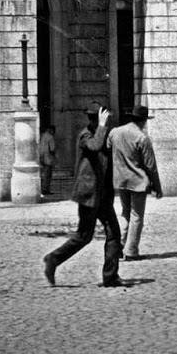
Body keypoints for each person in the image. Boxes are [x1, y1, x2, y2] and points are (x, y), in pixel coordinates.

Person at [42, 106, 123, 288]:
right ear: (96, 119)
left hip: (101, 196)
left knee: (114, 234)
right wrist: (102, 126)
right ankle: (53, 259)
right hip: (88, 195)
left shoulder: (101, 135)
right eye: (103, 120)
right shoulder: (85, 136)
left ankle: (110, 277)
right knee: (84, 236)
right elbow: (94, 146)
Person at [109, 104, 162, 260]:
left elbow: (107, 148)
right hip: (138, 182)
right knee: (137, 216)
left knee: (125, 213)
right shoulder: (142, 138)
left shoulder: (115, 132)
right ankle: (131, 251)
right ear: (144, 121)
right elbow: (151, 166)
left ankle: (118, 247)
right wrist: (157, 187)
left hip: (120, 180)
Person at [38, 123, 57, 195]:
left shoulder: (42, 136)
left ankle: (42, 188)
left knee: (42, 174)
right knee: (48, 175)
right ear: (51, 130)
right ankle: (45, 189)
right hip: (48, 158)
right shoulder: (50, 137)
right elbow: (52, 149)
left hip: (41, 157)